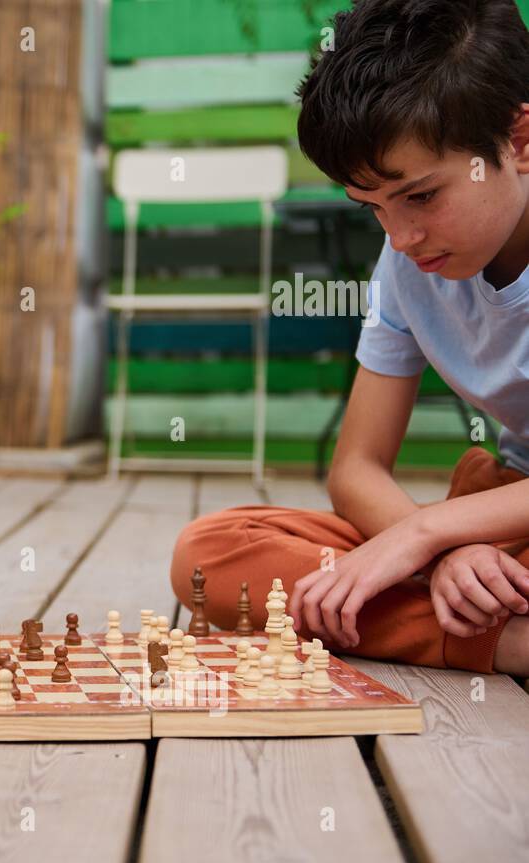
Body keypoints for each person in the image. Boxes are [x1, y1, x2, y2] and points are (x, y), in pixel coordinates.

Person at [171, 0, 529, 680]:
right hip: (496, 530)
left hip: (489, 532)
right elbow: (356, 466)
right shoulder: (407, 268)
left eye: (421, 196)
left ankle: (470, 626)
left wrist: (425, 533)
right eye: (373, 209)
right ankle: (502, 637)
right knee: (211, 551)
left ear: (519, 140)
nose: (400, 239)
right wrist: (445, 556)